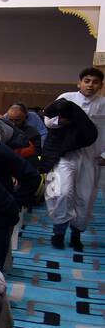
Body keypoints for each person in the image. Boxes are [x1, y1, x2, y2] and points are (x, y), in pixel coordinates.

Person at [45, 74, 105, 248]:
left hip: (92, 157)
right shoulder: (66, 98)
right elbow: (49, 121)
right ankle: (58, 232)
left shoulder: (104, 103)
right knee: (62, 193)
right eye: (87, 81)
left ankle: (76, 234)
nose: (90, 85)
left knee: (85, 198)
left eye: (95, 82)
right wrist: (62, 121)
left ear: (101, 85)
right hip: (66, 154)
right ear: (79, 83)